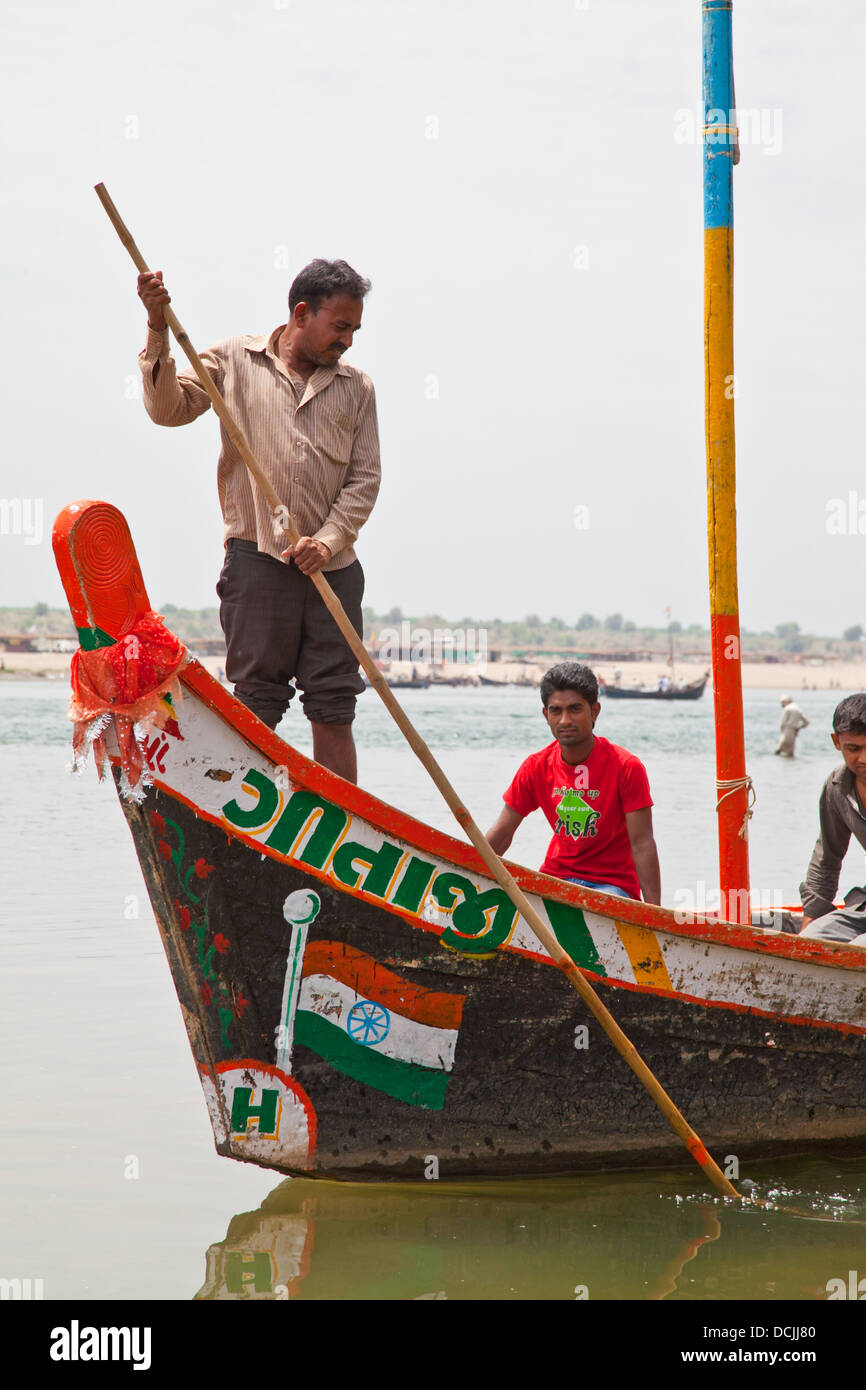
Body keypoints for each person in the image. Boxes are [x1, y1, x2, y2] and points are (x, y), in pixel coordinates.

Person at [137, 259, 381, 784]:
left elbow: (365, 481)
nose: (348, 341)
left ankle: (337, 836)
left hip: (333, 569)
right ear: (301, 313)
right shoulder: (233, 360)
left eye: (354, 330)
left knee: (333, 706)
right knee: (256, 703)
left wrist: (329, 540)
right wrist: (158, 326)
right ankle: (239, 823)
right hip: (258, 559)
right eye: (340, 326)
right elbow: (167, 410)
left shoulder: (356, 387)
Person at [485, 661, 661, 902]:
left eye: (575, 709)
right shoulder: (536, 766)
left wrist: (655, 916)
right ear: (546, 715)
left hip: (611, 888)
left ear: (595, 711)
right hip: (554, 880)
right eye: (556, 711)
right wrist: (466, 872)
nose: (565, 720)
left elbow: (642, 844)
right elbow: (502, 835)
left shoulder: (626, 767)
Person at [799, 693, 866, 945]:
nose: (863, 759)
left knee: (859, 950)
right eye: (854, 748)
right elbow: (827, 859)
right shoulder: (837, 787)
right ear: (836, 742)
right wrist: (807, 927)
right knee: (812, 940)